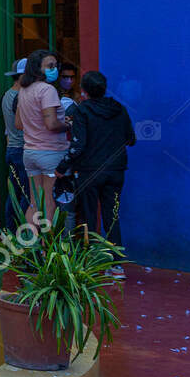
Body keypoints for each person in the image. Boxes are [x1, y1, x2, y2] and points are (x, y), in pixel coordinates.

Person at [64, 70, 135, 250]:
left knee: (88, 217)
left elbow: (78, 145)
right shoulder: (119, 108)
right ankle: (116, 262)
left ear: (84, 91)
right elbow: (131, 139)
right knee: (112, 216)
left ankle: (90, 261)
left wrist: (61, 166)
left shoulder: (83, 111)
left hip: (89, 171)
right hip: (116, 170)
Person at [15, 48, 71, 219]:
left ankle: (29, 244)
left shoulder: (24, 90)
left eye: (55, 65)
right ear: (37, 68)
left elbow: (18, 124)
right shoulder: (47, 90)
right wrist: (68, 125)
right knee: (49, 202)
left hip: (30, 152)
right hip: (51, 152)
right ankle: (49, 245)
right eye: (50, 66)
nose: (54, 69)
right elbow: (52, 124)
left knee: (34, 203)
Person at [1, 59, 31, 219]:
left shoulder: (7, 95)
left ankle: (10, 233)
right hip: (22, 149)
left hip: (12, 148)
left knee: (14, 194)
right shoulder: (20, 96)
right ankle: (23, 233)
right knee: (27, 196)